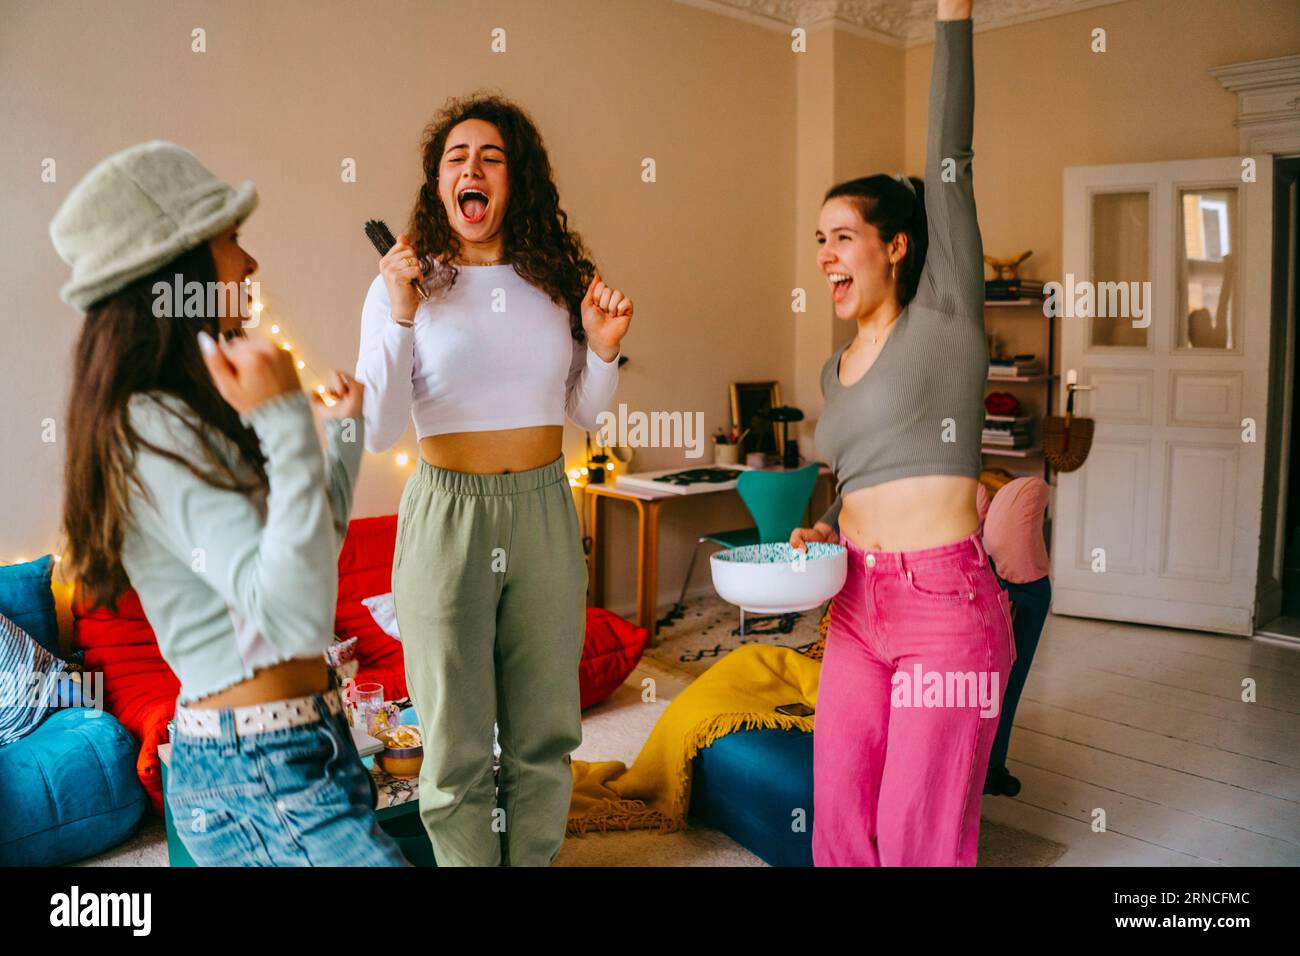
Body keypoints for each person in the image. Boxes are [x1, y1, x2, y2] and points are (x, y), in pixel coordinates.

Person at [55, 140, 407, 866]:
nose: (249, 264)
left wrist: (338, 436)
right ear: (173, 271)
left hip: (306, 739)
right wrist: (283, 422)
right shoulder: (148, 426)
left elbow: (309, 552)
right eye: (231, 241)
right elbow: (291, 612)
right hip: (255, 769)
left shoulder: (202, 404)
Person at [356, 94, 632, 866]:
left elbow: (587, 414)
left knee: (547, 730)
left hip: (544, 505)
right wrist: (403, 314)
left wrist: (604, 350)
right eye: (456, 157)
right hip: (448, 516)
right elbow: (377, 431)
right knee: (456, 739)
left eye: (491, 157)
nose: (472, 169)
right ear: (438, 183)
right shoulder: (402, 285)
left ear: (516, 182)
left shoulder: (555, 280)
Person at [790, 0, 1015, 866]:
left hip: (944, 607)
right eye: (819, 241)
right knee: (840, 822)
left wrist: (950, 19)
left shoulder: (948, 317)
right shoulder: (831, 373)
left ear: (895, 246)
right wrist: (820, 531)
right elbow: (850, 490)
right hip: (853, 605)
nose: (825, 257)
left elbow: (949, 160)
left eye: (842, 238)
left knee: (922, 833)